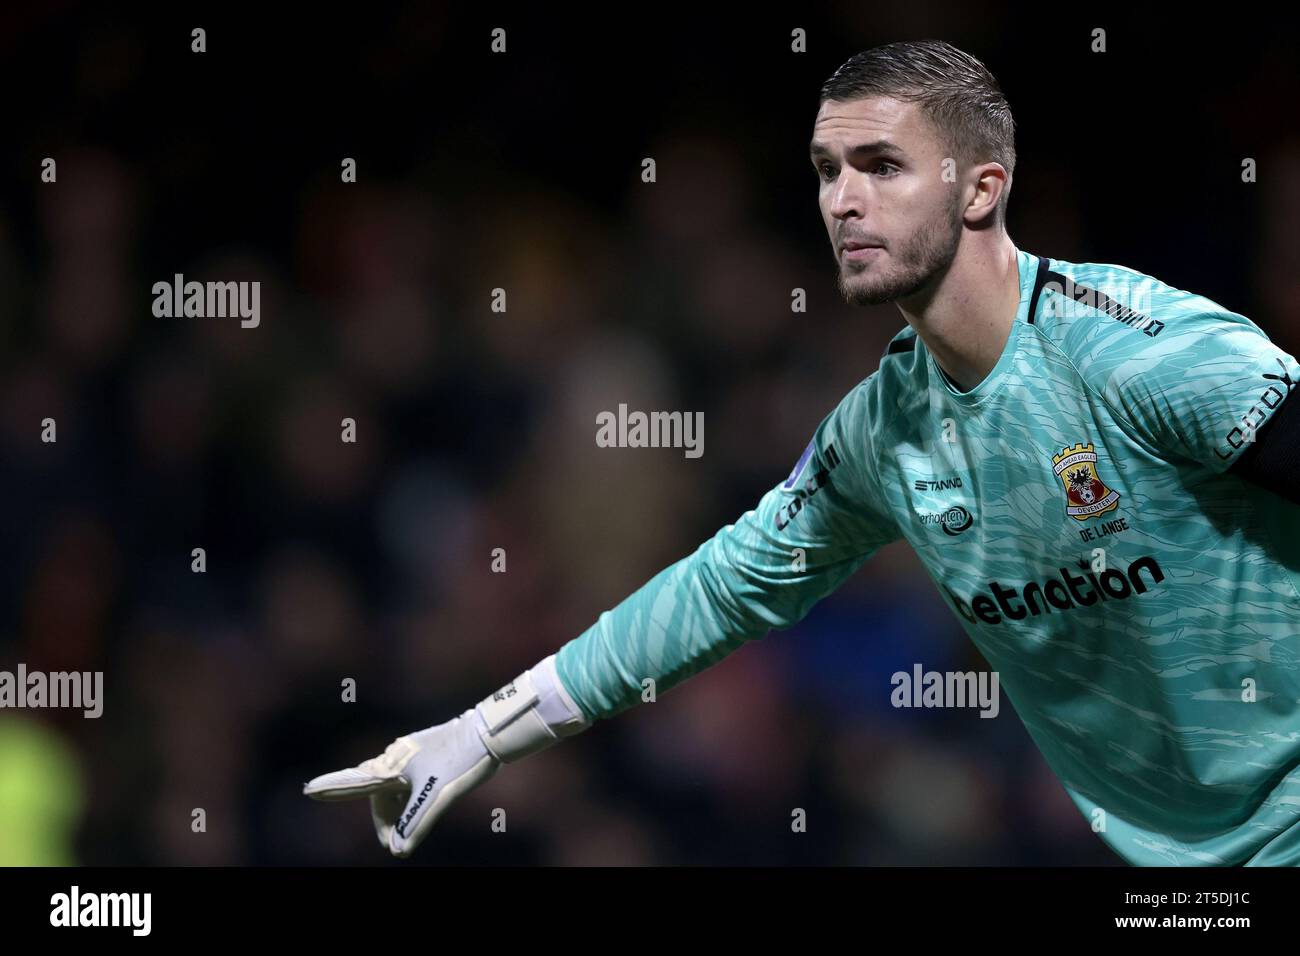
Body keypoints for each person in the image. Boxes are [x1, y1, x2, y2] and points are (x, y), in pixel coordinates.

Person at [305, 39, 1300, 866]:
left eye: (880, 166)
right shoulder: (879, 431)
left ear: (980, 188)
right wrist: (479, 730)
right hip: (1180, 872)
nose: (841, 201)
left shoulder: (1133, 349)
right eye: (827, 171)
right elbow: (715, 590)